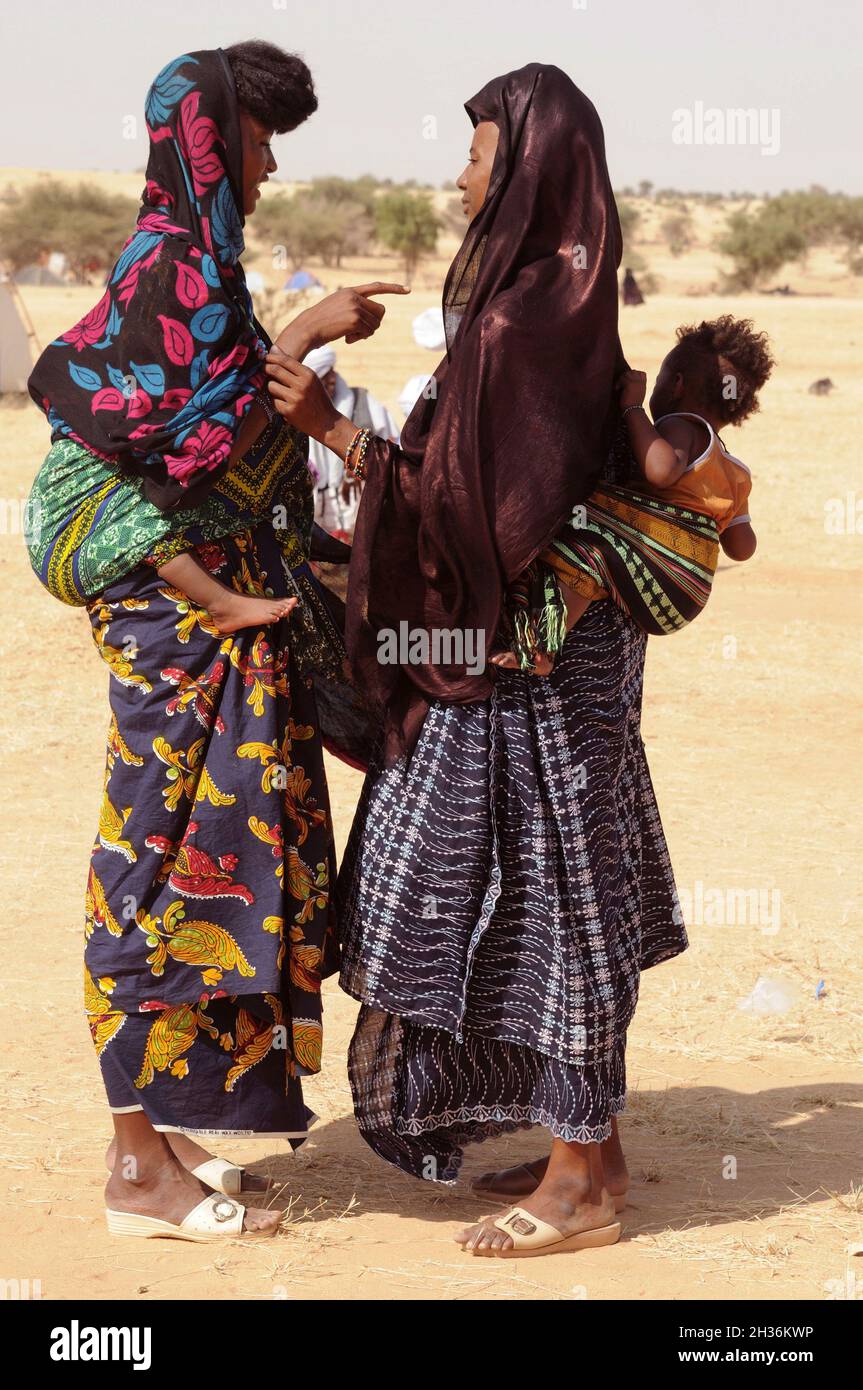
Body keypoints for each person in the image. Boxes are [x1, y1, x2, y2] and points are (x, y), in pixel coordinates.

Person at [266, 64, 687, 1258]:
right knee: (552, 898)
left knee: (537, 901)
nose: (456, 178)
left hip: (526, 674)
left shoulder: (513, 323)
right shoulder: (564, 297)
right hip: (542, 663)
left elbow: (478, 518)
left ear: (526, 167)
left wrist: (333, 432)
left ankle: (575, 1185)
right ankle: (584, 1147)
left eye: (475, 154)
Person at [25, 43, 402, 1243]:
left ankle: (163, 1123)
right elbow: (149, 450)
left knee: (208, 852)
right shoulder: (171, 266)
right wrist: (305, 328)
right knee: (149, 860)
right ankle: (135, 1162)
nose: (273, 162)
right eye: (259, 138)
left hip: (210, 623)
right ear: (209, 140)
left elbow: (211, 427)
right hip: (171, 627)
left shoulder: (200, 263)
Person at [492, 315, 773, 674]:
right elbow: (742, 547)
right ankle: (543, 647)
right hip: (687, 595)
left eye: (657, 380)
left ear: (676, 385)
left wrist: (632, 408)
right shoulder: (734, 470)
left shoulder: (681, 426)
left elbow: (661, 471)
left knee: (572, 526)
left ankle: (542, 644)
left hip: (667, 564)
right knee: (593, 561)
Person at [303, 346, 399, 536]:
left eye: (332, 372)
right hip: (316, 520)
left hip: (361, 515)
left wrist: (368, 462)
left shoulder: (364, 401)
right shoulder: (295, 415)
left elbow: (393, 447)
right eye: (324, 376)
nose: (331, 379)